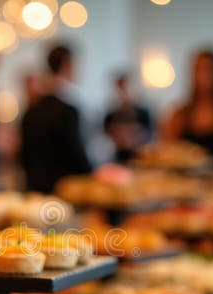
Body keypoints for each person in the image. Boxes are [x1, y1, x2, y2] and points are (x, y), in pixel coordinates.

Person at [20, 44, 92, 194]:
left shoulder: (31, 110)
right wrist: (95, 174)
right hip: (63, 192)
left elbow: (23, 157)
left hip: (34, 190)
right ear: (67, 64)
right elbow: (76, 155)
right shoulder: (67, 111)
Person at [162, 49, 213, 166]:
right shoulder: (179, 114)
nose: (202, 76)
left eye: (208, 69)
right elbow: (168, 153)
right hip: (183, 177)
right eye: (198, 69)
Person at [103, 72, 152, 164]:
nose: (123, 93)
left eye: (125, 88)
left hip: (142, 157)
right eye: (120, 89)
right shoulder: (110, 115)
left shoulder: (144, 113)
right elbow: (105, 138)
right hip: (118, 157)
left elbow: (150, 135)